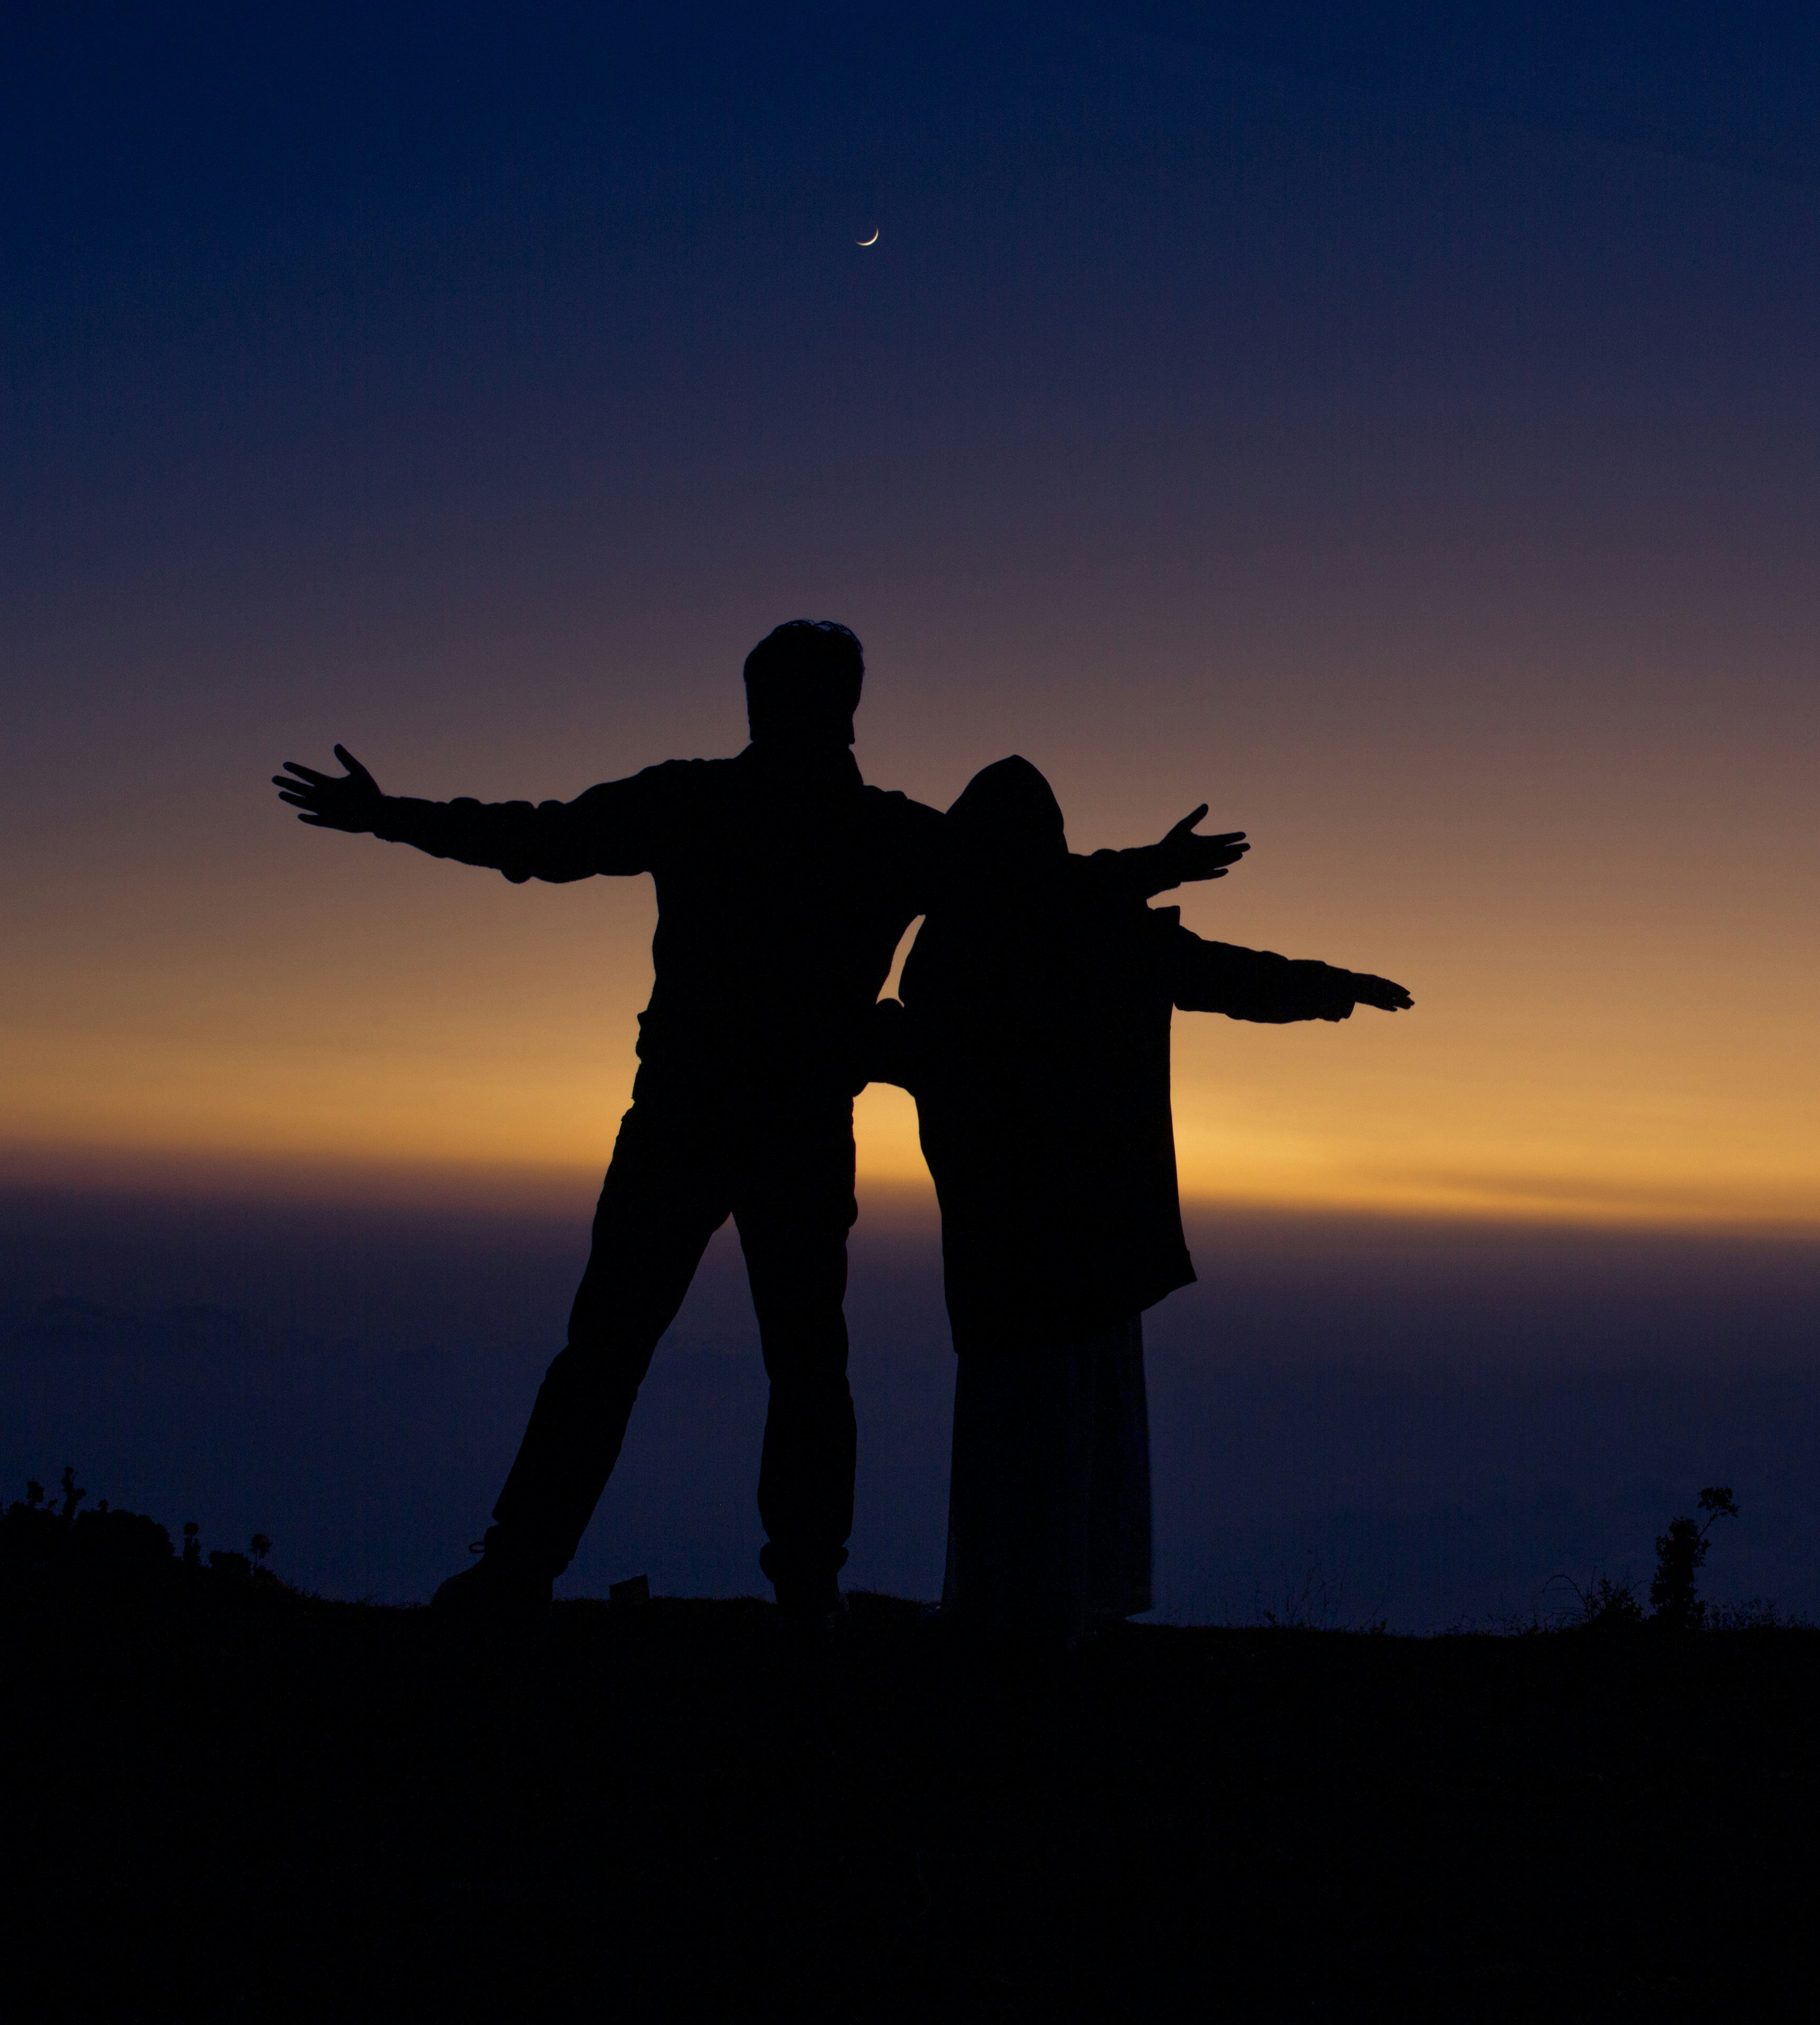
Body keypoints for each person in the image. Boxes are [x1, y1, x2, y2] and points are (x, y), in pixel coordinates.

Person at [270, 622, 1243, 1619]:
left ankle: (524, 1564)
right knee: (802, 1361)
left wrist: (388, 817)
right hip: (797, 1133)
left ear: (758, 704)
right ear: (848, 708)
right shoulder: (880, 832)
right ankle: (805, 1584)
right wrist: (1150, 869)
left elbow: (539, 838)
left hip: (685, 1119)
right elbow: (1030, 885)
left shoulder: (701, 801)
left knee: (617, 1351)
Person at [873, 755, 1409, 1642]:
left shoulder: (961, 937)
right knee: (1071, 1419)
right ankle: (1056, 1604)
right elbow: (1218, 975)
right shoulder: (1083, 924)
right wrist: (1329, 986)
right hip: (1087, 1235)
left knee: (1019, 1418)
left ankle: (1012, 1603)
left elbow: (931, 1045)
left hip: (1003, 1234)